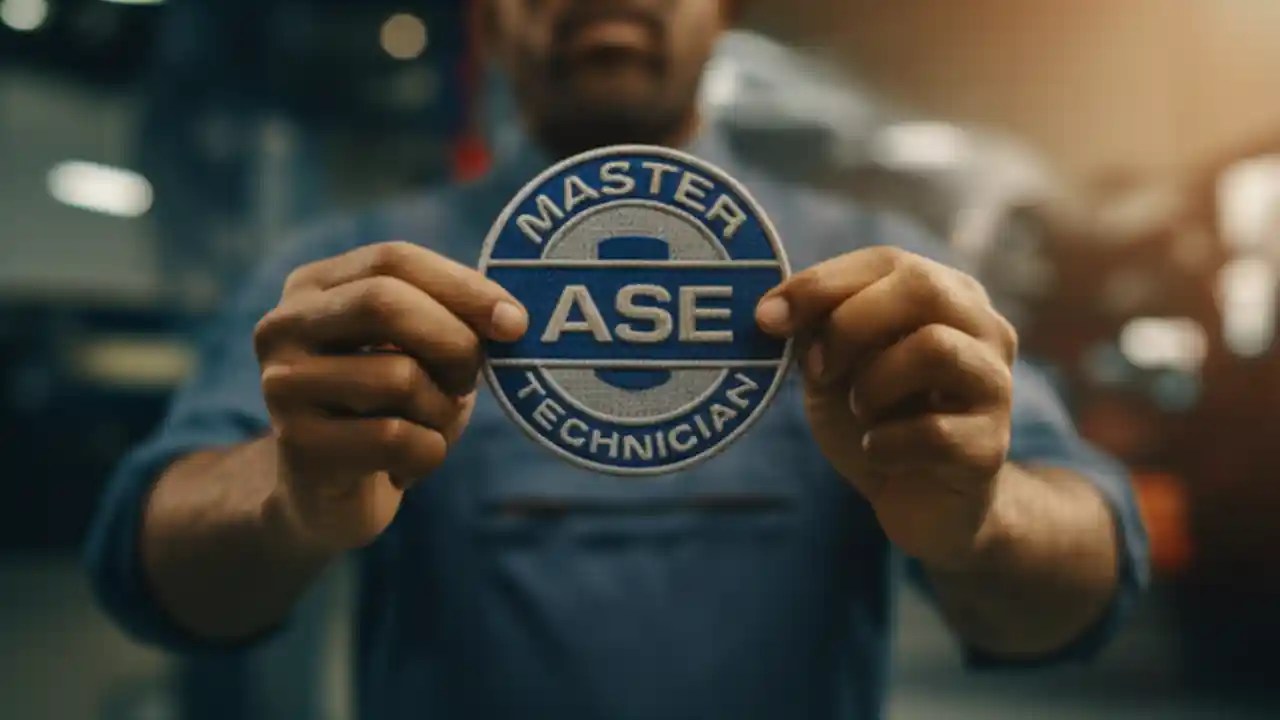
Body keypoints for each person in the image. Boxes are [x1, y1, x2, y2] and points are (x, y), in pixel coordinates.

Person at [86, 1, 1148, 718]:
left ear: (721, 12)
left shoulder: (876, 275)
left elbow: (1082, 581)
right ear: (490, 22)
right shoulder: (341, 276)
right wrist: (283, 495)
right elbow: (153, 572)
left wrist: (979, 515)